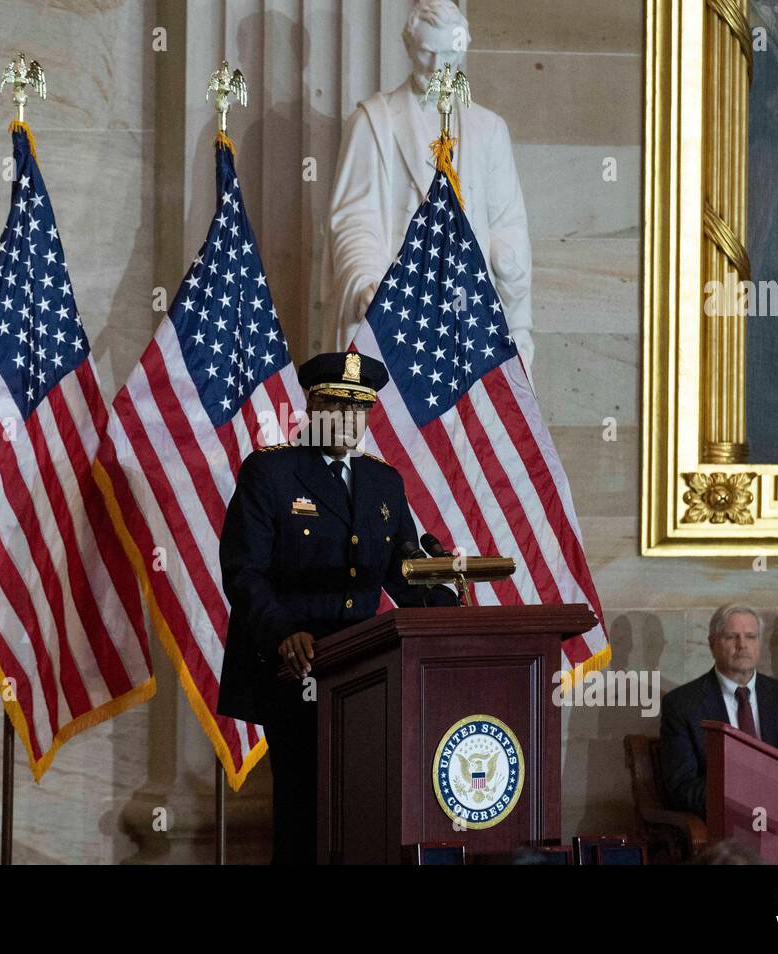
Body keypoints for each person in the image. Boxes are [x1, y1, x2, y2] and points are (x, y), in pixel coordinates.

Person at [216, 351, 456, 864]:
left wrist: (446, 591)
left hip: (367, 674)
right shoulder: (271, 473)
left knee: (365, 811)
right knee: (305, 815)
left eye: (360, 410)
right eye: (336, 407)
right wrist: (284, 632)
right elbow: (245, 571)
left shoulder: (382, 481)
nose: (349, 421)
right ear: (311, 407)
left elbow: (404, 569)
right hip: (296, 669)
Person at [321, 0, 533, 364]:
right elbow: (355, 219)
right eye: (427, 53)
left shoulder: (489, 129)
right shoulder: (373, 123)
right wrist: (365, 281)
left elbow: (507, 224)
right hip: (398, 313)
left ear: (463, 48)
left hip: (469, 319)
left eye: (449, 53)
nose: (438, 67)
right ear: (408, 47)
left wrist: (510, 279)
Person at [660, 603, 778, 817]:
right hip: (724, 821)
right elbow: (681, 788)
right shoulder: (683, 704)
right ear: (712, 644)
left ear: (760, 644)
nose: (742, 645)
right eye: (731, 637)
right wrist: (743, 798)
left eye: (751, 637)